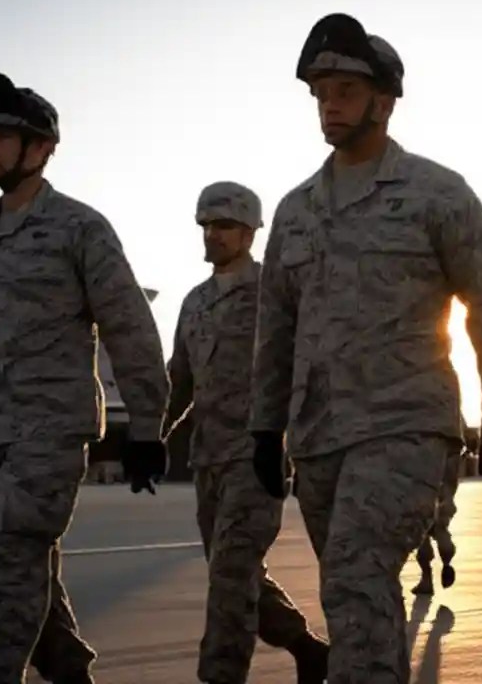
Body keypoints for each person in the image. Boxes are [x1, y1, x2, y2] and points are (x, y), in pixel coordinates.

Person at [247, 13, 482, 684]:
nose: (330, 105)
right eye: (321, 91)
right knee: (356, 597)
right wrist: (266, 426)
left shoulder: (436, 194)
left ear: (384, 100)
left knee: (355, 573)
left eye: (346, 91)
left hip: (407, 426)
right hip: (321, 436)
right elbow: (277, 328)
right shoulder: (295, 211)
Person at [0, 73, 170, 684]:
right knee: (28, 580)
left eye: (2, 136)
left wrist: (149, 428)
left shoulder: (80, 229)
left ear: (42, 147)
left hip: (50, 436)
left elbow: (130, 326)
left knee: (0, 572)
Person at [162, 182, 329, 683]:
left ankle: (220, 676)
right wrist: (151, 435)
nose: (213, 234)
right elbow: (180, 379)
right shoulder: (194, 303)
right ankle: (305, 645)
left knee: (231, 578)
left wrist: (292, 440)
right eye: (207, 225)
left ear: (251, 233)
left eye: (225, 226)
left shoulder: (273, 294)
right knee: (233, 573)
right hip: (208, 460)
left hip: (257, 457)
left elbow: (307, 368)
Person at [412, 437, 463, 595]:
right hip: (444, 480)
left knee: (423, 531)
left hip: (423, 472)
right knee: (440, 526)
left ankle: (426, 578)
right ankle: (446, 563)